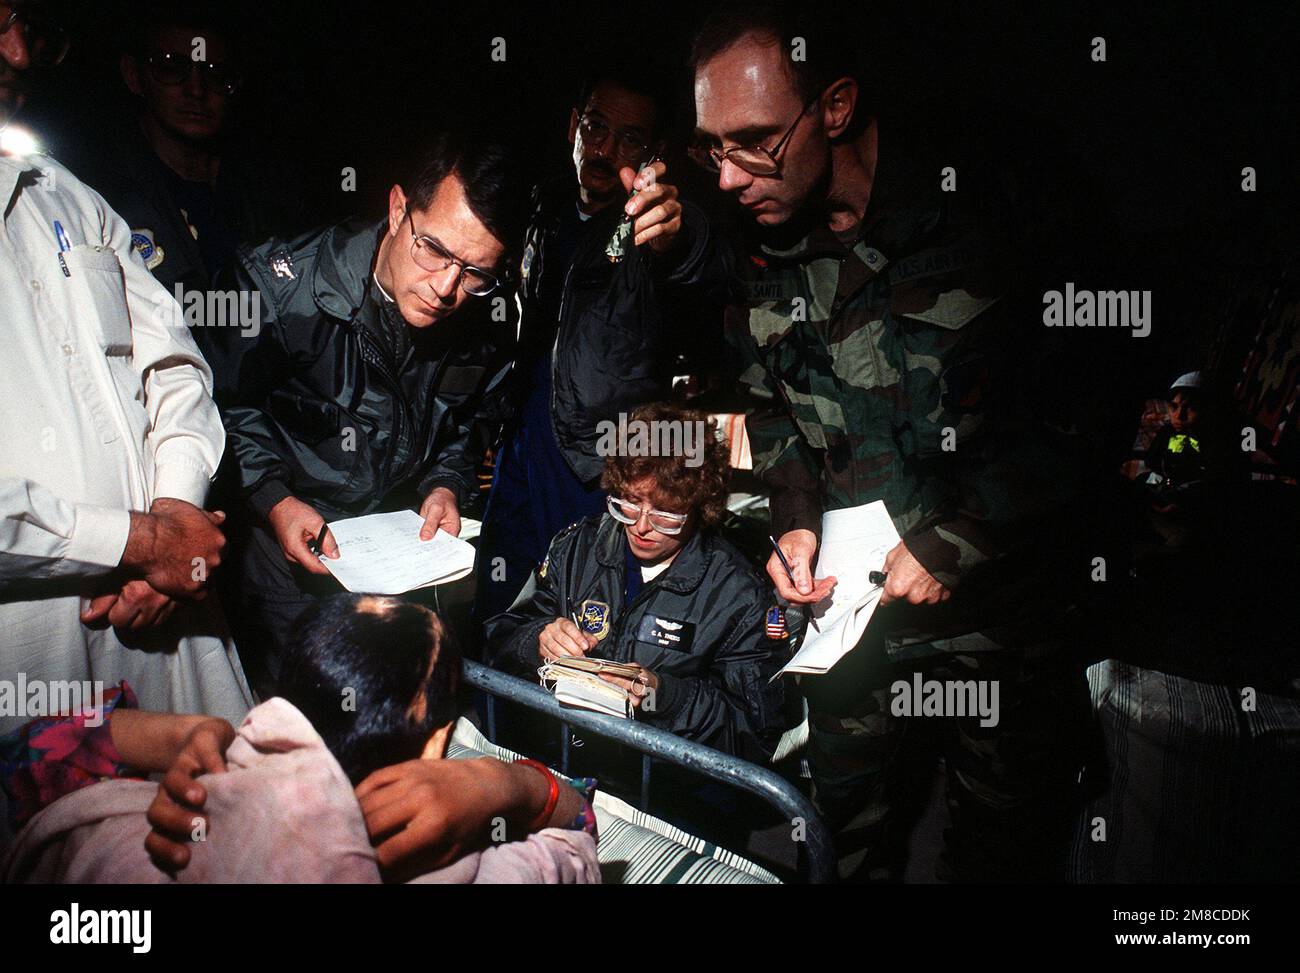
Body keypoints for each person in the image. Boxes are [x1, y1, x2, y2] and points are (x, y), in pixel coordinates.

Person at [690, 3, 1088, 880]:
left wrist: (960, 537)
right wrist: (794, 518)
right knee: (837, 839)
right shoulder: (754, 248)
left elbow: (1086, 409)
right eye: (711, 148)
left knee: (1001, 847)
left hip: (998, 623)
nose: (726, 177)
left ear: (834, 107)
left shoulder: (991, 208)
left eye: (752, 140)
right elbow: (767, 410)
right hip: (853, 628)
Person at [0, 0, 252, 844]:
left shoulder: (65, 193)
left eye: (25, 25)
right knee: (69, 865)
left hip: (170, 623)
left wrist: (176, 512)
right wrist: (138, 542)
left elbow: (175, 363)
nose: (16, 51)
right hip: (30, 651)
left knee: (233, 839)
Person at [212, 131, 523, 693]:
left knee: (396, 707)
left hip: (396, 553)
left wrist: (446, 484)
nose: (447, 288)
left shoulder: (486, 317)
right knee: (304, 716)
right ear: (399, 207)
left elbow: (469, 421)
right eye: (434, 250)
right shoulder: (282, 289)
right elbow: (221, 408)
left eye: (475, 272)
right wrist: (273, 500)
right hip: (281, 546)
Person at [1, 593, 599, 884]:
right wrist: (504, 782)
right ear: (436, 744)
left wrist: (183, 733)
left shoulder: (142, 837)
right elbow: (580, 832)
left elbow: (29, 755)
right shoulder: (483, 873)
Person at [473, 66, 728, 623]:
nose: (606, 148)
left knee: (585, 623)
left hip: (600, 462)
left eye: (630, 138)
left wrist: (676, 242)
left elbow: (700, 265)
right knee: (496, 608)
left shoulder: (650, 221)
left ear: (654, 151)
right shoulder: (543, 206)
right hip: (522, 444)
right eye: (596, 127)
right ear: (574, 125)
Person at [485, 403, 790, 762]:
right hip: (564, 759)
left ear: (700, 506)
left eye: (665, 512)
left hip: (659, 791)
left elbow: (754, 732)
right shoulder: (576, 548)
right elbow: (498, 639)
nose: (642, 527)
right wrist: (536, 640)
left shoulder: (740, 596)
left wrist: (663, 696)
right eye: (628, 503)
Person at [77, 4, 295, 298]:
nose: (196, 89)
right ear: (133, 75)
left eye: (217, 75)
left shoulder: (270, 186)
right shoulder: (98, 193)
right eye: (170, 67)